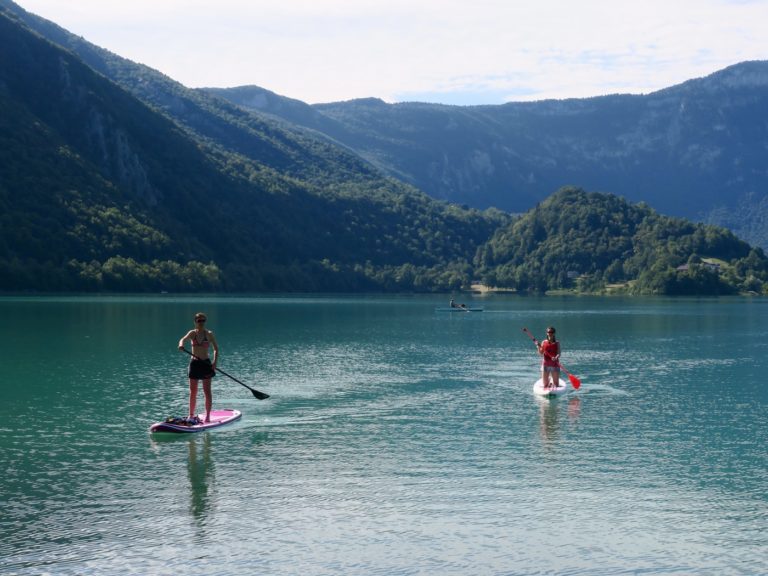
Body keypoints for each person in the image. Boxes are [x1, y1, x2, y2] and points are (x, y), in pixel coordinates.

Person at [178, 312, 219, 423]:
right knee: (193, 391)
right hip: (194, 364)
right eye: (199, 320)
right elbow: (183, 339)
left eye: (203, 320)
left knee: (207, 391)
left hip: (206, 364)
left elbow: (216, 349)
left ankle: (208, 416)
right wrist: (181, 344)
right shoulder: (192, 333)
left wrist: (214, 362)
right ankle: (190, 415)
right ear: (195, 322)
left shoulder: (209, 334)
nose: (201, 323)